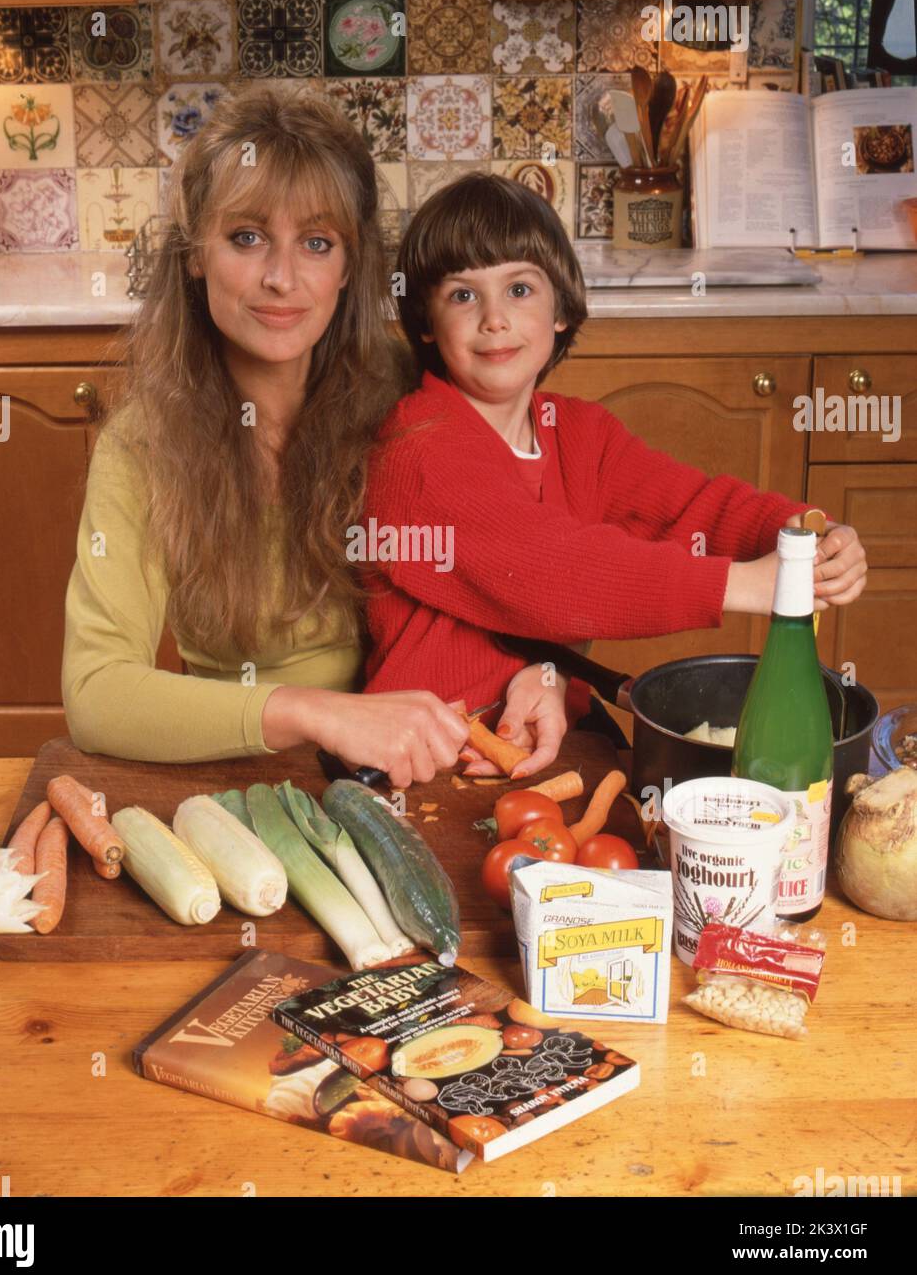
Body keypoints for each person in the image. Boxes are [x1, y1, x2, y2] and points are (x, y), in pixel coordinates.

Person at [360, 173, 868, 777]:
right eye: (463, 296)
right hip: (421, 764)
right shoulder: (417, 446)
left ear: (561, 311)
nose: (494, 319)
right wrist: (747, 586)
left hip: (538, 734)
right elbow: (553, 573)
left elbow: (693, 509)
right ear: (424, 322)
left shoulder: (580, 433)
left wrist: (805, 533)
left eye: (519, 288)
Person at [61, 83, 471, 787]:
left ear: (348, 268)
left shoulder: (419, 398)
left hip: (427, 767)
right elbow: (97, 693)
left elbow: (535, 565)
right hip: (232, 779)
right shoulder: (143, 444)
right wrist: (315, 714)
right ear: (195, 253)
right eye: (247, 238)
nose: (282, 278)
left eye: (316, 243)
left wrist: (543, 680)